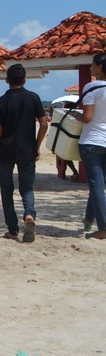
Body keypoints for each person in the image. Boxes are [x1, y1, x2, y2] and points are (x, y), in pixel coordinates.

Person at [0, 64, 49, 243]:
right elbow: (43, 124)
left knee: (6, 190)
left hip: (5, 152)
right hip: (27, 150)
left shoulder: (1, 102)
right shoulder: (33, 98)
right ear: (25, 80)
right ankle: (29, 214)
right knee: (27, 188)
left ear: (7, 80)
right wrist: (37, 145)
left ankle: (12, 230)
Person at [73, 53, 106, 239]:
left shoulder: (92, 87)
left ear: (100, 67)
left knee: (96, 185)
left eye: (93, 65)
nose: (91, 67)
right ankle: (88, 220)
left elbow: (87, 117)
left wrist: (77, 115)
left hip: (92, 141)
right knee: (99, 184)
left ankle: (103, 228)